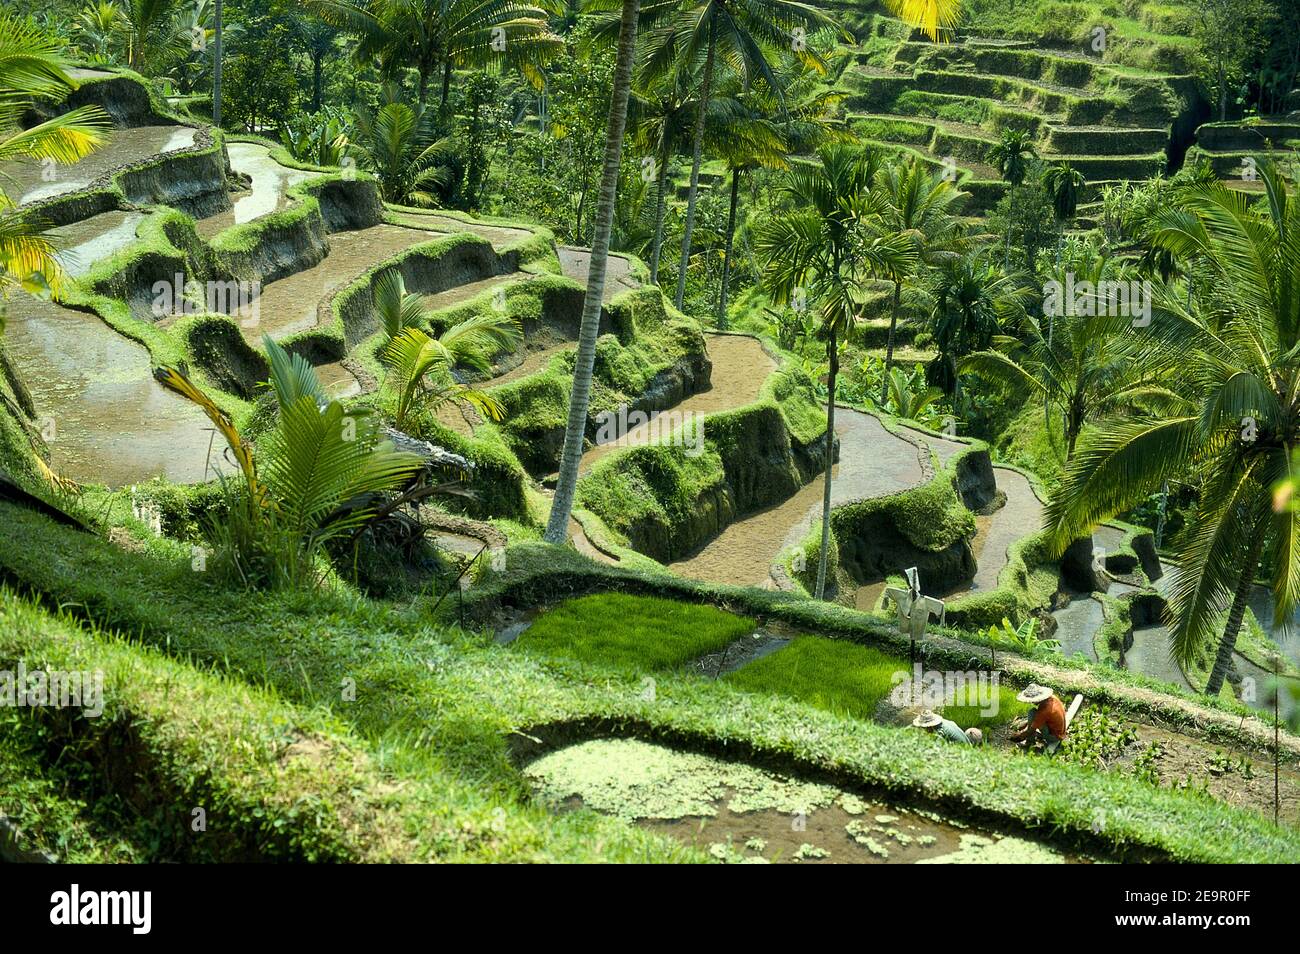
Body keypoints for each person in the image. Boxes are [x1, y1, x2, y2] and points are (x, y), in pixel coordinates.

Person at [1009, 684, 1067, 752]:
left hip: (1054, 737)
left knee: (1032, 712)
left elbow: (1031, 730)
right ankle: (1032, 739)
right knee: (1033, 713)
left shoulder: (1044, 711)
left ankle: (1029, 743)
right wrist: (1026, 723)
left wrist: (1019, 736)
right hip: (1060, 732)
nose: (1032, 702)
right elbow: (1039, 719)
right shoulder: (1052, 698)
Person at [911, 709, 979, 745]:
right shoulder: (945, 721)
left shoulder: (940, 732)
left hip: (963, 750)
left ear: (929, 726)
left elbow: (936, 748)